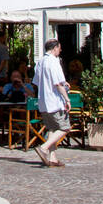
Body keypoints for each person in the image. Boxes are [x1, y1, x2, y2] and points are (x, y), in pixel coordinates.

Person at [33, 38, 72, 168]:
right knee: (64, 127)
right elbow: (57, 84)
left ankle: (52, 158)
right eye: (59, 48)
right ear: (55, 48)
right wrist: (67, 99)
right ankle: (44, 148)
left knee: (52, 128)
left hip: (43, 101)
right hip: (54, 101)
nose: (60, 50)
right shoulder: (54, 62)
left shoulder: (40, 62)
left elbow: (37, 82)